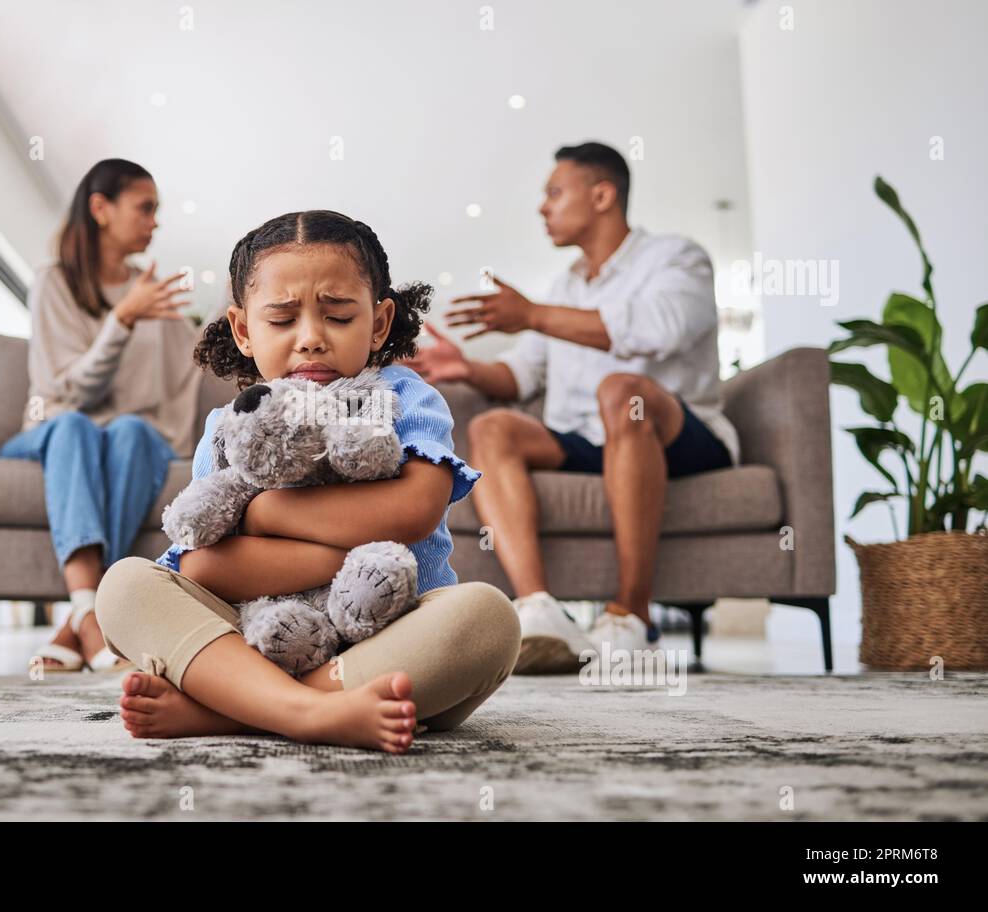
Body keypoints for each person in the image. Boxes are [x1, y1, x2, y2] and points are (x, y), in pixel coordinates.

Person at [93, 209, 520, 753]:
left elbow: (414, 511)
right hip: (258, 631)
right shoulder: (231, 428)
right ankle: (312, 711)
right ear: (243, 329)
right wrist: (346, 538)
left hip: (389, 634)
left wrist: (263, 514)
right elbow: (203, 568)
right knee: (125, 585)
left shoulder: (401, 396)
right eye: (282, 320)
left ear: (380, 322)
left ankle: (239, 708)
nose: (311, 339)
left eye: (339, 317)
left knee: (487, 619)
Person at [403, 141, 738, 673]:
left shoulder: (676, 258)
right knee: (494, 428)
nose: (543, 207)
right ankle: (539, 609)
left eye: (555, 193)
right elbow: (520, 374)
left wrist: (533, 314)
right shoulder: (564, 287)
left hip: (679, 438)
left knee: (620, 392)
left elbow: (658, 331)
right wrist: (465, 368)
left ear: (602, 194)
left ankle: (632, 616)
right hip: (589, 441)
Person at [0, 158, 201, 672]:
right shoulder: (54, 283)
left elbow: (195, 362)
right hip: (54, 430)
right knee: (73, 424)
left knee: (134, 430)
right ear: (100, 209)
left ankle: (82, 619)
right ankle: (97, 620)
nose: (155, 221)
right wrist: (122, 319)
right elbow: (68, 391)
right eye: (145, 208)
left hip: (123, 438)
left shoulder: (151, 293)